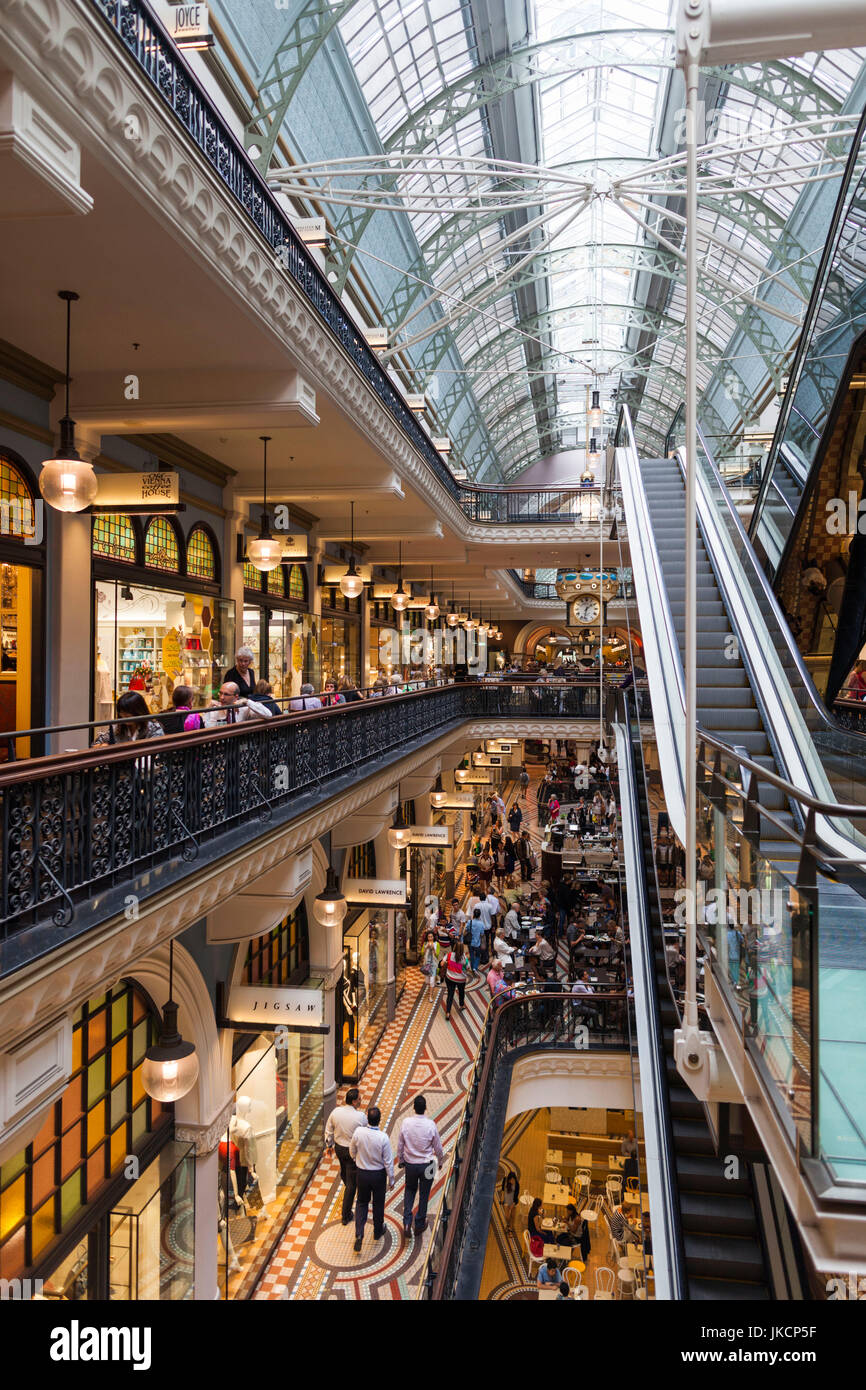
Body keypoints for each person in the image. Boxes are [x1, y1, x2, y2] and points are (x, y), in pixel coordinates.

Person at [397, 1094, 445, 1239]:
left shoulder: (406, 1123)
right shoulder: (431, 1125)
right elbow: (438, 1147)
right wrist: (440, 1161)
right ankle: (419, 1224)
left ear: (413, 1108)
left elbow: (400, 1144)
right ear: (425, 1108)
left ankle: (406, 1221)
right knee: (424, 1194)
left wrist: (401, 1159)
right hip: (427, 1165)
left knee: (410, 1190)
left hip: (410, 1165)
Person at [349, 1105, 394, 1252]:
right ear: (379, 1120)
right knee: (378, 1203)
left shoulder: (358, 1132)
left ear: (367, 1118)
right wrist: (391, 1179)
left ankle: (359, 1233)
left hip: (362, 1173)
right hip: (378, 1175)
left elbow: (352, 1150)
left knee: (361, 1202)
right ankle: (377, 1231)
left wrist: (357, 1159)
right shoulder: (383, 1138)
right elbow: (388, 1161)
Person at [325, 1086, 367, 1225]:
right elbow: (363, 1135)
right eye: (359, 1099)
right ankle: (346, 1214)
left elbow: (329, 1129)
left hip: (338, 1149)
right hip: (351, 1151)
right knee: (351, 1185)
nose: (361, 1100)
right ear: (354, 1102)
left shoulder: (336, 1112)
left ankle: (347, 1180)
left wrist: (329, 1145)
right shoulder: (360, 1117)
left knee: (344, 1171)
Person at [94, 691, 165, 745]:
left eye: (128, 713)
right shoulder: (117, 728)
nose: (124, 716)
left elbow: (156, 750)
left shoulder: (153, 728)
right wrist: (102, 745)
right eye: (121, 712)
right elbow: (98, 742)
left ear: (139, 711)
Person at [201, 682, 273, 726]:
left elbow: (268, 715)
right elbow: (208, 728)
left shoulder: (243, 709)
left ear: (236, 697)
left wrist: (248, 702)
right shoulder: (215, 709)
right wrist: (208, 710)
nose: (222, 697)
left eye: (226, 694)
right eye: (220, 693)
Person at [443, 940, 468, 1019]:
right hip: (461, 980)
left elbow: (442, 963)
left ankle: (448, 1012)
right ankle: (461, 1005)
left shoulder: (449, 955)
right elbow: (468, 967)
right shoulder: (464, 957)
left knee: (450, 994)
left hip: (450, 978)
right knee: (461, 992)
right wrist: (459, 966)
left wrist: (450, 963)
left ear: (454, 947)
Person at [421, 930, 441, 1001]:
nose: (430, 938)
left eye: (431, 937)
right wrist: (426, 948)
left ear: (433, 937)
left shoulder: (436, 944)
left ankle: (430, 996)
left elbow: (437, 955)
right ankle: (431, 988)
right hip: (427, 964)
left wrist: (433, 949)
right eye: (429, 937)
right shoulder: (425, 943)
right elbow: (422, 954)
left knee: (432, 981)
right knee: (427, 981)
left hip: (433, 965)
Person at [467, 908, 485, 975]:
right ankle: (475, 968)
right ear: (479, 915)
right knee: (477, 956)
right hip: (477, 943)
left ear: (474, 914)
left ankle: (472, 969)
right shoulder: (481, 924)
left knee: (471, 955)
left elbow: (467, 929)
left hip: (470, 942)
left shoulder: (470, 922)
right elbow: (482, 933)